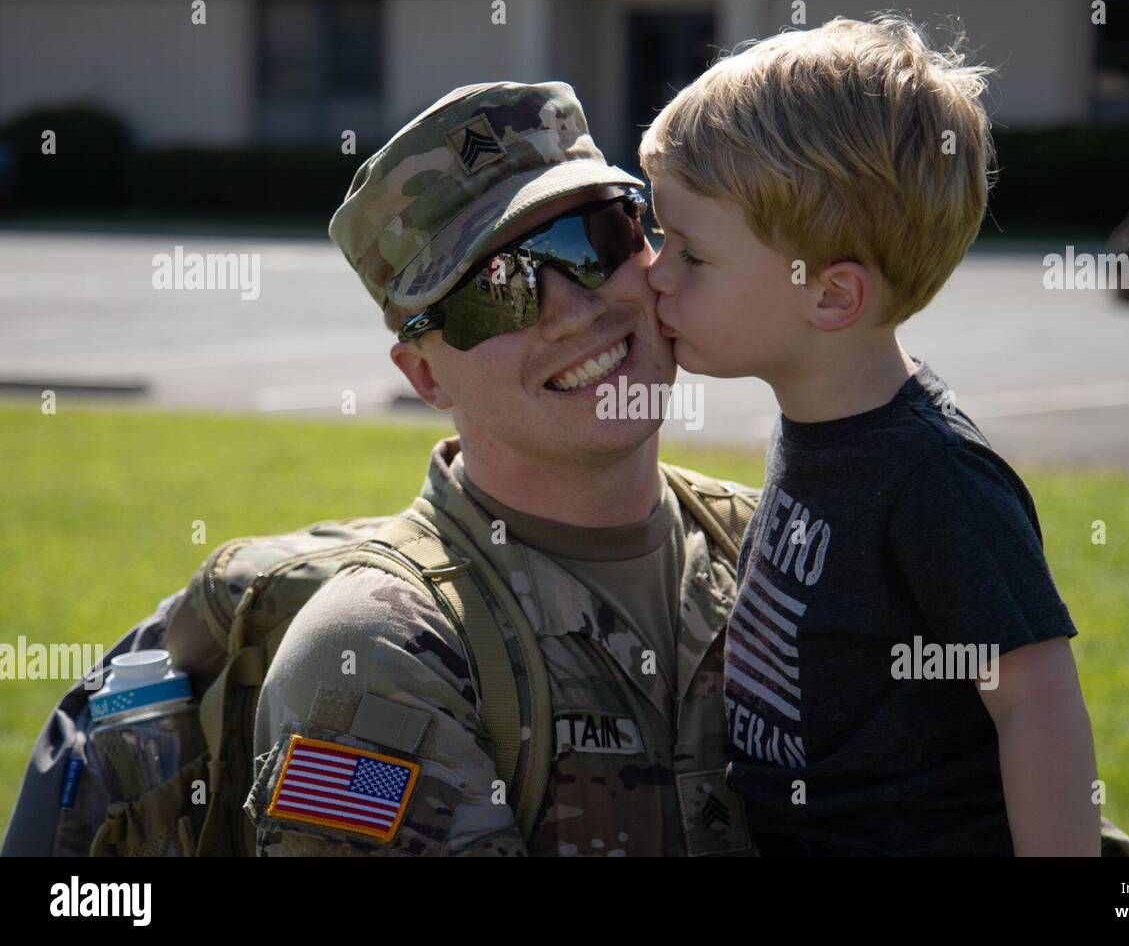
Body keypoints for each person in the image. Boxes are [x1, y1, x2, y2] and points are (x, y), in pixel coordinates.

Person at [243, 81, 757, 857]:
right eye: (494, 289)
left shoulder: (776, 546)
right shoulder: (370, 657)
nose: (572, 310)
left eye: (594, 239)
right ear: (426, 377)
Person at [639, 16, 1106, 855]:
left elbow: (1034, 699)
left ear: (829, 297)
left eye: (690, 253)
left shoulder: (936, 475)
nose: (654, 273)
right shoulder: (820, 421)